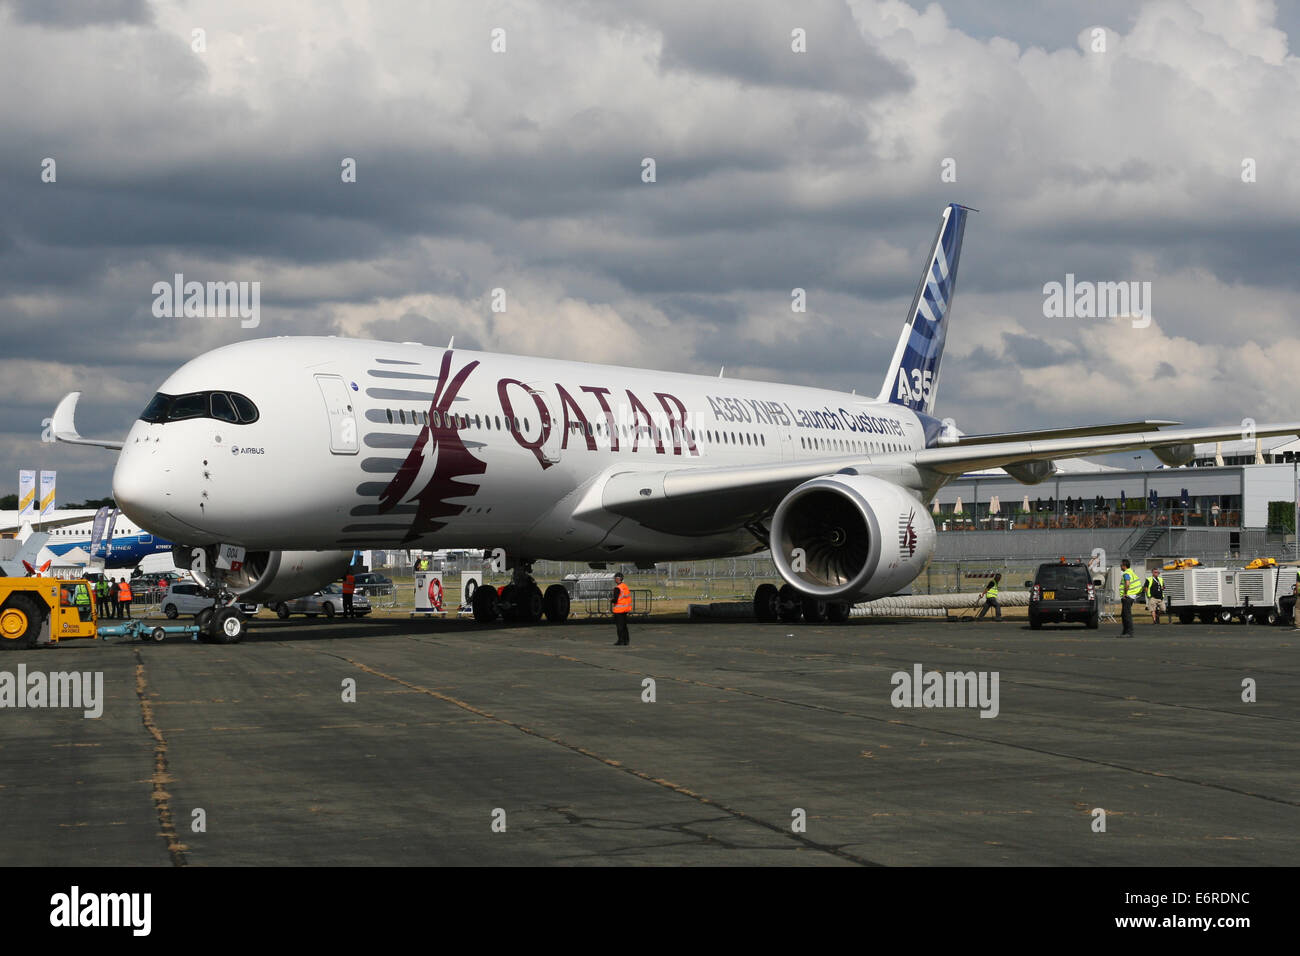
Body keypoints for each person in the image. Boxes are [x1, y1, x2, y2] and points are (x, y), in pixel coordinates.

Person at [1119, 559, 1141, 637]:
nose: (1120, 566)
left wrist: (1125, 593)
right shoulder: (1131, 572)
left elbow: (1127, 583)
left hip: (1128, 596)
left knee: (1127, 614)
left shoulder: (1126, 573)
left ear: (1124, 566)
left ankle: (1129, 632)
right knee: (1124, 614)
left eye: (1121, 565)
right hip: (1131, 596)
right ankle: (1125, 631)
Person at [610, 572, 632, 645]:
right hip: (625, 609)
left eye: (615, 578)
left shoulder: (617, 588)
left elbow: (615, 600)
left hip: (619, 610)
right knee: (624, 626)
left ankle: (620, 640)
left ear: (617, 579)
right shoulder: (625, 586)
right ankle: (626, 640)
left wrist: (611, 600)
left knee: (619, 627)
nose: (614, 580)